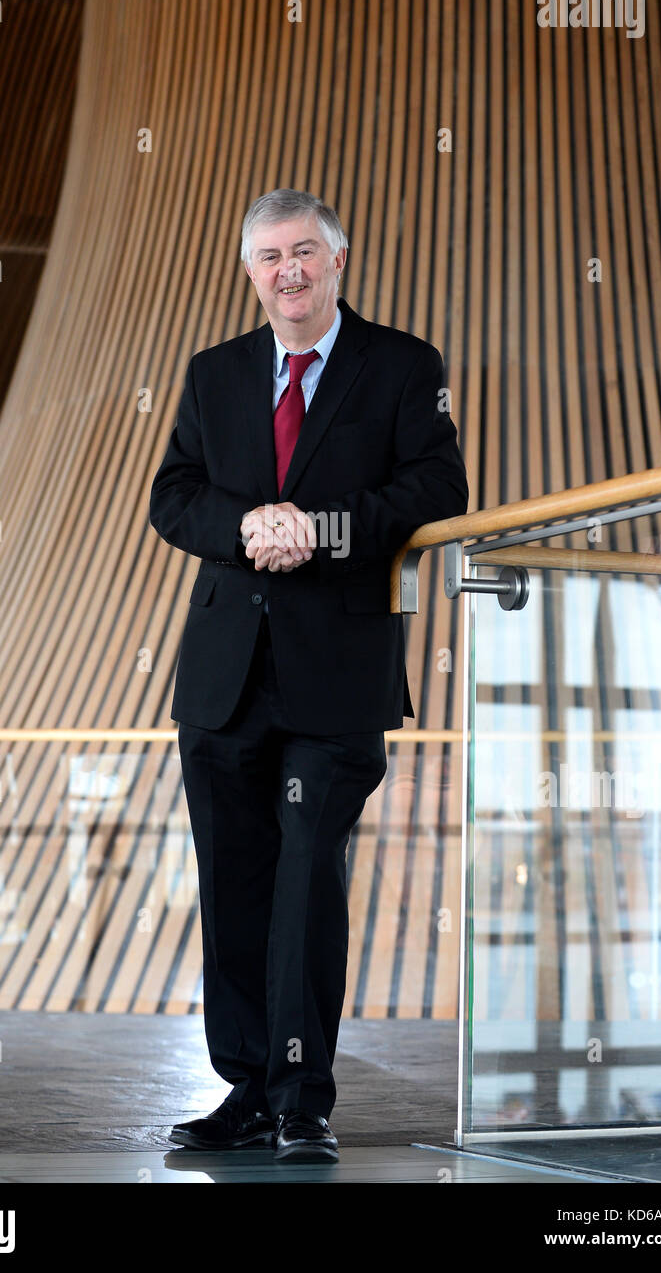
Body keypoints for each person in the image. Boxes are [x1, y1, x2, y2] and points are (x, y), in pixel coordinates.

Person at [148, 188, 468, 1161]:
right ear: (250, 274)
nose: (286, 271)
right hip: (224, 680)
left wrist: (319, 531)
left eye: (303, 252)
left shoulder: (404, 366)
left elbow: (436, 487)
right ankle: (246, 1090)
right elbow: (173, 496)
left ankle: (302, 1101)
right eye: (267, 258)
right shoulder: (213, 375)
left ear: (339, 260)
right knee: (234, 885)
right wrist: (246, 525)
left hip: (334, 679)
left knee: (304, 884)